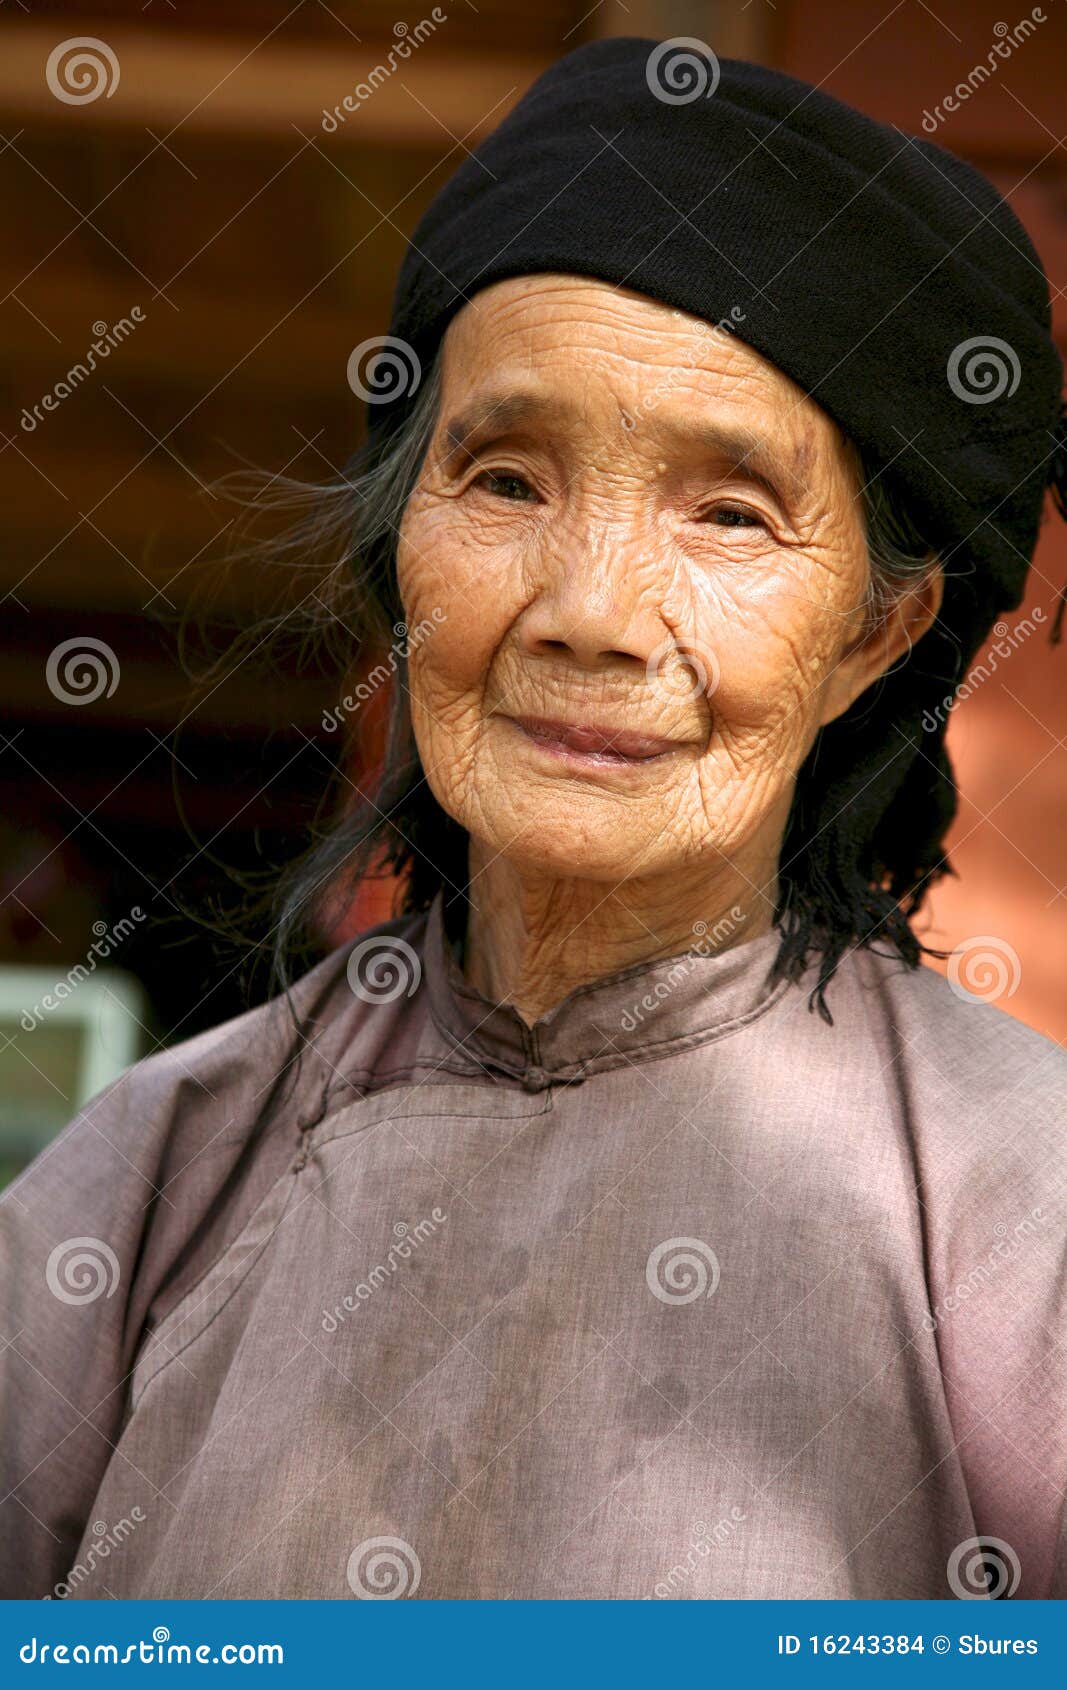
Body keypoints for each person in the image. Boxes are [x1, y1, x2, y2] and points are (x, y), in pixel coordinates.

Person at [2, 37, 1065, 1601]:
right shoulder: (150, 1178)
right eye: (505, 480)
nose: (589, 615)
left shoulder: (1014, 1195)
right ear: (402, 539)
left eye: (728, 514)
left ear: (873, 637)